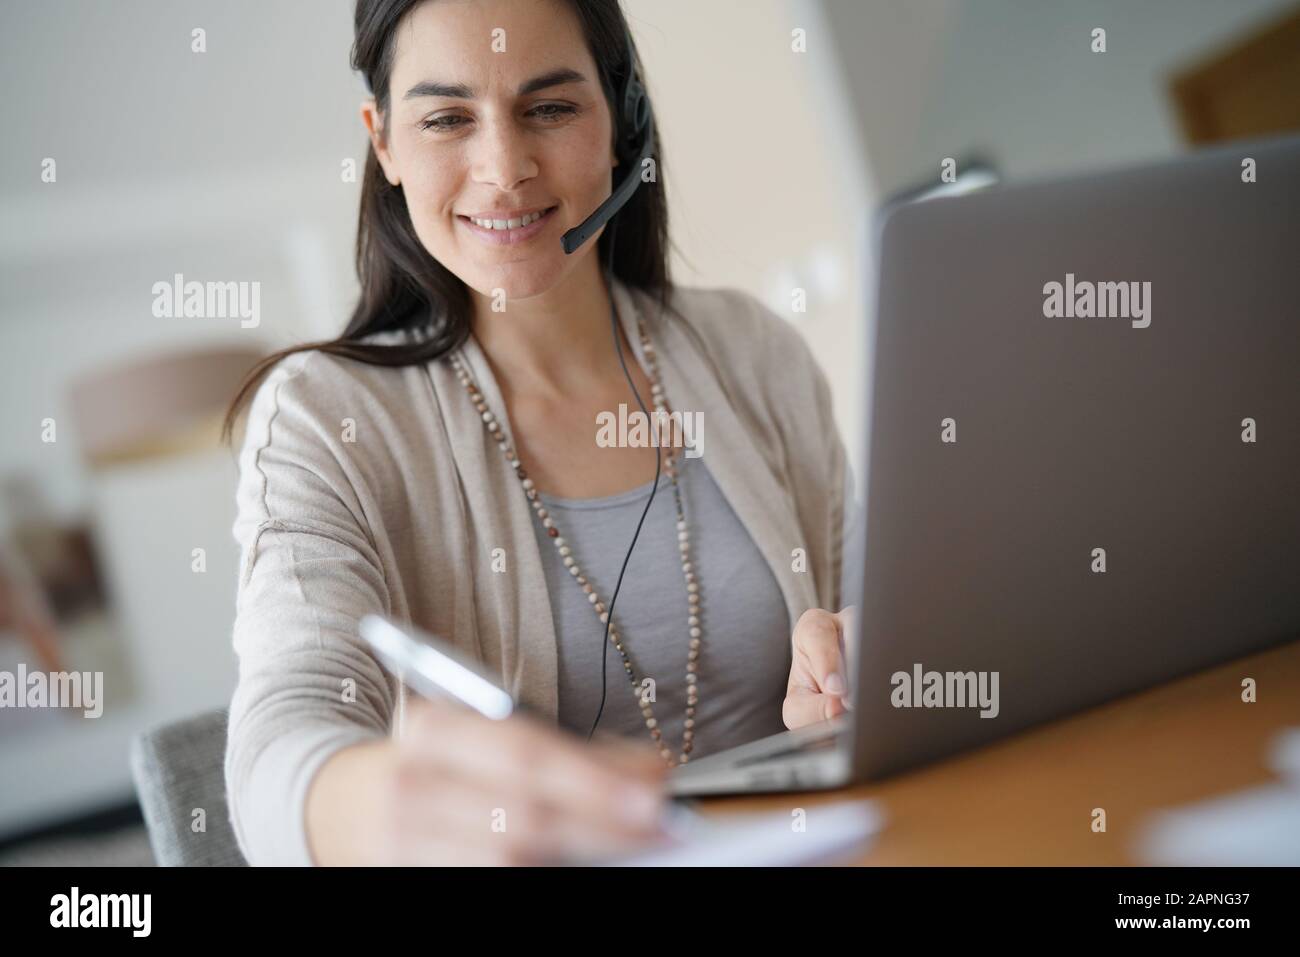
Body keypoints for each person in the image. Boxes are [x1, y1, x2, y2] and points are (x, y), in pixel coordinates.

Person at [222, 0, 853, 866]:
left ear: (622, 119)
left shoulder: (752, 351)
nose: (504, 169)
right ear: (384, 143)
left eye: (549, 108)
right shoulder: (327, 417)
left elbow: (878, 606)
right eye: (446, 118)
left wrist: (870, 659)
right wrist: (376, 810)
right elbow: (278, 742)